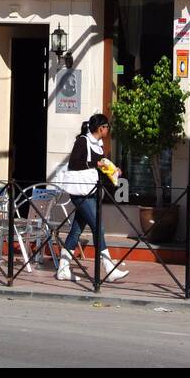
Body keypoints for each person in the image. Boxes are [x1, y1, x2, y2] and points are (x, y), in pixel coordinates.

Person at [56, 113, 128, 283]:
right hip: (80, 193)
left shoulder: (99, 146)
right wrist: (96, 164)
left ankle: (63, 270)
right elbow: (73, 163)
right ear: (100, 128)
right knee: (98, 227)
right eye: (107, 127)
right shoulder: (82, 141)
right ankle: (108, 267)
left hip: (91, 191)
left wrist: (113, 169)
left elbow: (101, 165)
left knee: (76, 231)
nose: (108, 130)